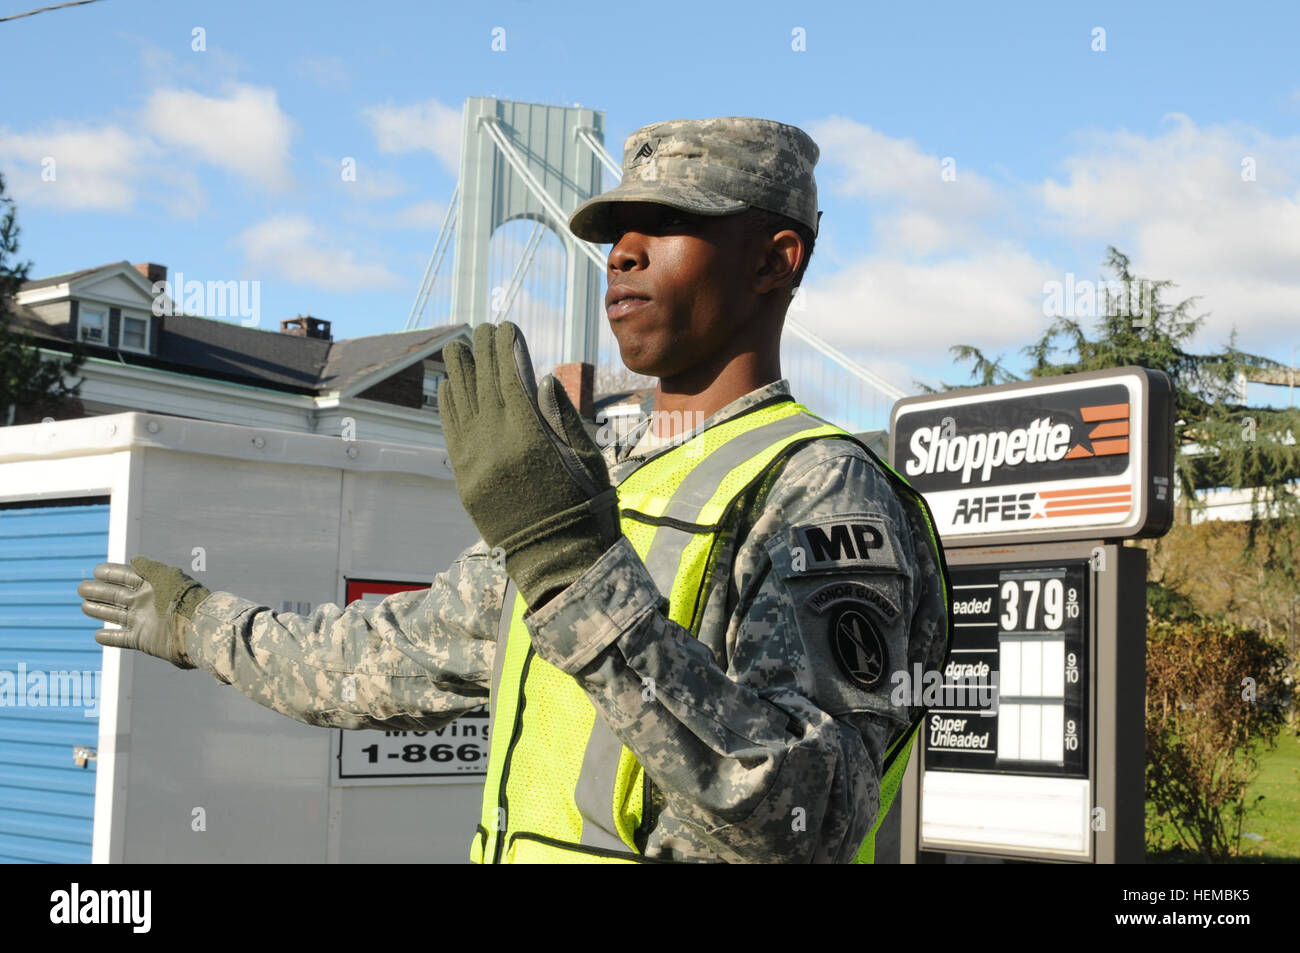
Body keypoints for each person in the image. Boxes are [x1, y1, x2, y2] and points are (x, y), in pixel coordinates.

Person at [77, 116, 951, 864]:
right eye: (616, 232)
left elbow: (809, 815)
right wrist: (199, 622)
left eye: (671, 223)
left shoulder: (822, 492)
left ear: (776, 259)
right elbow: (387, 654)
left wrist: (571, 566)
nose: (623, 254)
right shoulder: (601, 485)